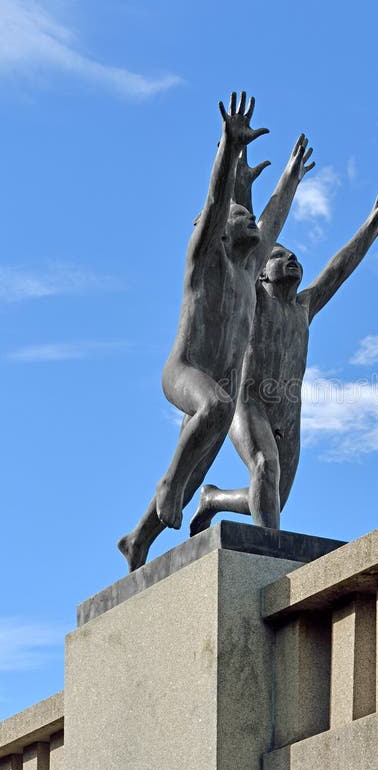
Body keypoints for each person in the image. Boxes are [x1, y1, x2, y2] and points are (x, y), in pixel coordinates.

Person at [118, 92, 314, 570]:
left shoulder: (250, 273)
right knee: (217, 408)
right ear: (221, 231)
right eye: (243, 217)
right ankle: (168, 485)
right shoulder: (205, 258)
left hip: (218, 384)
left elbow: (276, 214)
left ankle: (138, 538)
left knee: (201, 458)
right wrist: (229, 145)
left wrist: (290, 176)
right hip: (185, 370)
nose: (254, 221)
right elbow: (215, 200)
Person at [189, 186, 378, 534]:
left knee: (273, 497)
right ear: (261, 273)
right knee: (264, 466)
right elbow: (252, 233)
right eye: (280, 256)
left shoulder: (303, 308)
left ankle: (212, 499)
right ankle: (270, 561)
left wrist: (371, 229)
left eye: (295, 257)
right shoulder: (253, 298)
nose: (292, 260)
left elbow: (338, 270)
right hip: (249, 402)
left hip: (289, 413)